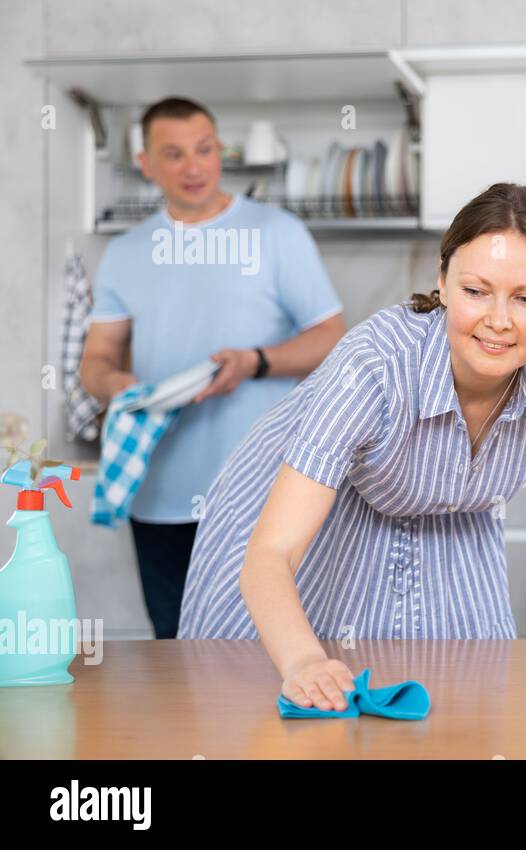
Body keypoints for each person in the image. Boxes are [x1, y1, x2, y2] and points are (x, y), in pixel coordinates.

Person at [179, 183, 526, 713]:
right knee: (282, 702)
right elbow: (271, 553)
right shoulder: (373, 365)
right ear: (443, 281)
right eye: (476, 291)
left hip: (455, 520)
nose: (499, 320)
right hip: (311, 518)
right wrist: (301, 662)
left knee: (467, 709)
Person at [80, 97, 345, 639]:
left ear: (220, 151)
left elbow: (330, 338)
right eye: (173, 154)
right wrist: (117, 386)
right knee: (176, 650)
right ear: (146, 163)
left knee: (271, 650)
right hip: (158, 495)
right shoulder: (126, 252)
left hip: (264, 493)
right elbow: (96, 359)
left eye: (204, 150)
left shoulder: (278, 234)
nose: (194, 166)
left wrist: (257, 362)